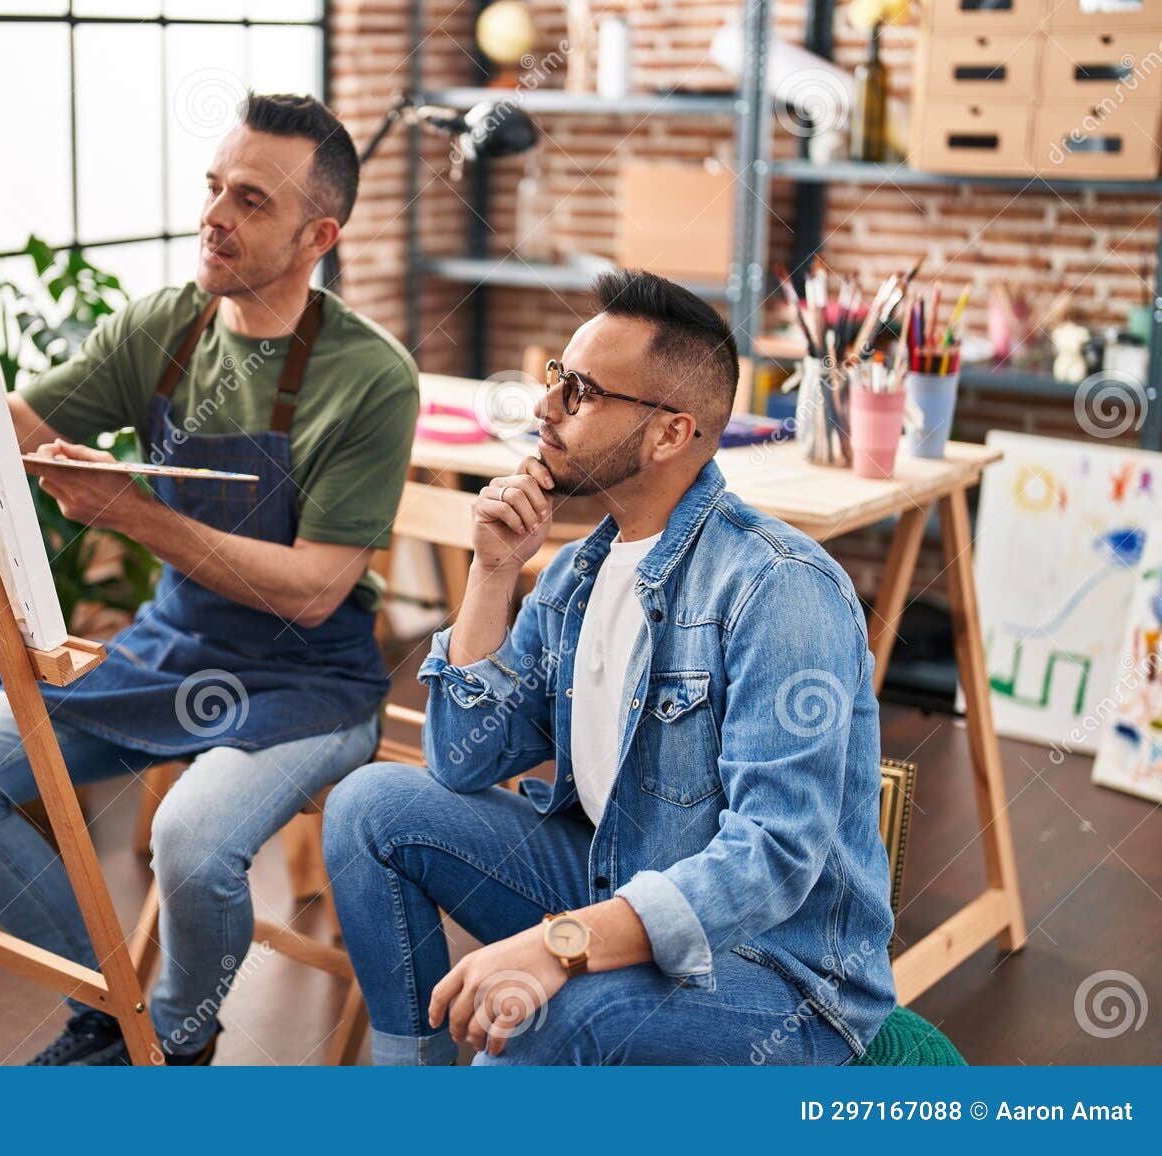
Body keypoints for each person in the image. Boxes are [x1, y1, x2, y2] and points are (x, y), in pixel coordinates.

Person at [0, 93, 418, 1066]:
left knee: (189, 839)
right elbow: (16, 423)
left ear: (319, 234)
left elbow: (317, 588)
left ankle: (179, 1046)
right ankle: (111, 1016)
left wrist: (132, 513)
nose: (215, 216)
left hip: (306, 682)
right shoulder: (165, 327)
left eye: (251, 200)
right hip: (170, 646)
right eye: (212, 187)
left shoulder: (370, 378)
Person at [323, 269, 896, 1066]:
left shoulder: (780, 587)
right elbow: (461, 759)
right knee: (367, 806)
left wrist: (558, 946)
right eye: (557, 378)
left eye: (580, 392)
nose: (544, 407)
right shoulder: (573, 575)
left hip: (778, 974)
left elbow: (773, 857)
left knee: (535, 1017)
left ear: (669, 433)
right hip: (614, 884)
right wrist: (491, 574)